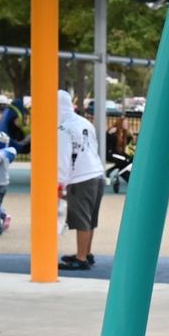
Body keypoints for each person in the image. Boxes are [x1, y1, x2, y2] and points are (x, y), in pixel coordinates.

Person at [56, 90, 106, 271]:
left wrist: (60, 183)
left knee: (82, 219)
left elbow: (63, 159)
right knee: (91, 218)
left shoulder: (63, 128)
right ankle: (86, 252)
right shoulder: (84, 122)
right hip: (97, 173)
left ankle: (81, 258)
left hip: (80, 178)